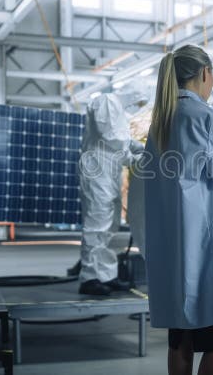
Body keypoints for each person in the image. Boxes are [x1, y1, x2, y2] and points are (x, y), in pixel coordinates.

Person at [144, 45, 213, 375]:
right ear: (206, 73)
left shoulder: (161, 121)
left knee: (182, 340)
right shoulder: (205, 116)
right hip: (208, 256)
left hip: (174, 254)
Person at [74, 92, 145, 296]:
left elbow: (122, 138)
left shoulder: (118, 110)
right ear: (132, 93)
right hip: (98, 169)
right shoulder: (106, 101)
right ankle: (89, 278)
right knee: (97, 224)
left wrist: (142, 147)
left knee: (109, 224)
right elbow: (111, 138)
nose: (138, 106)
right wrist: (134, 158)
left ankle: (106, 275)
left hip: (109, 171)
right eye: (138, 102)